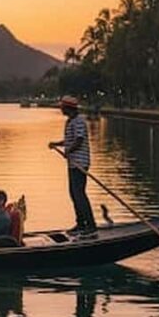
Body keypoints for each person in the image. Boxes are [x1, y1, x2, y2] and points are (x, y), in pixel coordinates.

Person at [49, 96, 96, 238]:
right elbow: (71, 140)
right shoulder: (70, 122)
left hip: (79, 163)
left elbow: (79, 140)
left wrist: (69, 151)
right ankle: (81, 224)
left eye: (62, 107)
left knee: (79, 194)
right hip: (72, 163)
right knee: (74, 194)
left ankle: (91, 226)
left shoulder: (79, 121)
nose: (60, 109)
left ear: (68, 108)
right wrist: (57, 144)